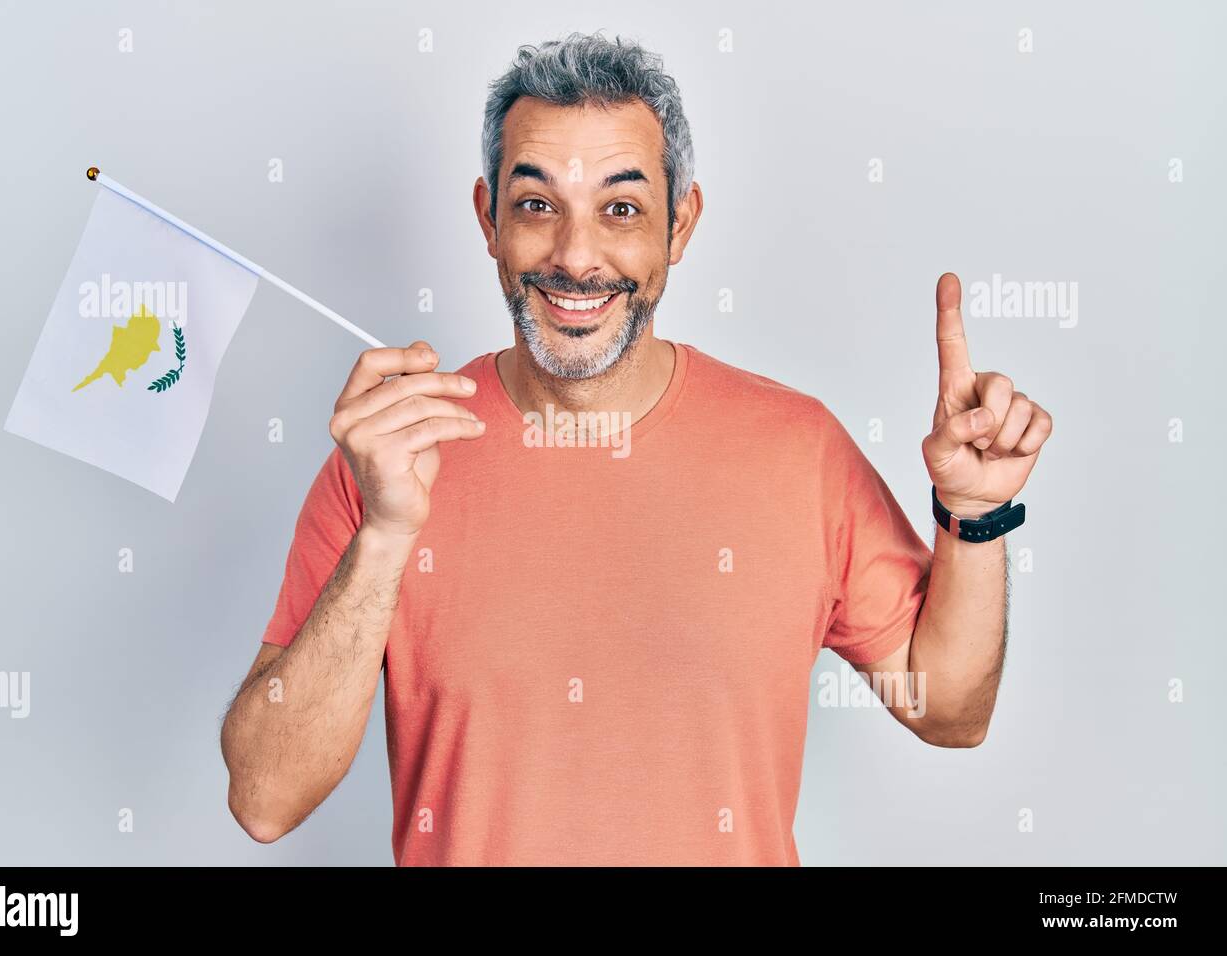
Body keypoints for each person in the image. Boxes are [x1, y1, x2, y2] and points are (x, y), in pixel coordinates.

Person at [219, 31, 1053, 865]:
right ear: (488, 219)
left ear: (679, 224)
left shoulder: (800, 452)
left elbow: (951, 712)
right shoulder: (388, 461)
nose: (576, 257)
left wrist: (974, 514)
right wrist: (385, 537)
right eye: (537, 204)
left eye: (620, 209)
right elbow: (264, 799)